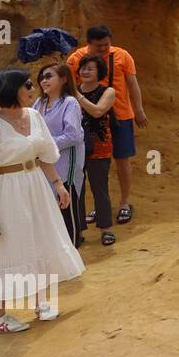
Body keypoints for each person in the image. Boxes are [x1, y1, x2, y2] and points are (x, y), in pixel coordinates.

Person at [0, 68, 85, 332]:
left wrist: (57, 184)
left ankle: (42, 303)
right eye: (27, 85)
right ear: (12, 90)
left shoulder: (34, 116)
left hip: (36, 186)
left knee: (40, 239)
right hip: (6, 192)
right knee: (8, 248)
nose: (33, 89)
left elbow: (44, 154)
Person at [66, 25, 144, 227]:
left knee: (122, 158)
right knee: (94, 164)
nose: (104, 49)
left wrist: (139, 110)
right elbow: (69, 86)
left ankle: (125, 202)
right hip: (90, 119)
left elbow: (132, 83)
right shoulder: (76, 59)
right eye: (99, 46)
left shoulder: (122, 55)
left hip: (121, 115)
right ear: (88, 44)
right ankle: (99, 206)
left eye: (106, 45)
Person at [33, 64, 86, 247]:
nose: (44, 80)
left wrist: (44, 146)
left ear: (63, 79)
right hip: (45, 165)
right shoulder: (39, 104)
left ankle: (73, 249)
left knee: (67, 208)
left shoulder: (69, 102)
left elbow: (73, 135)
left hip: (67, 164)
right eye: (42, 77)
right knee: (49, 209)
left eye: (49, 76)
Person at [74, 54, 118, 246]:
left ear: (99, 72)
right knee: (77, 187)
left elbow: (98, 111)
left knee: (99, 187)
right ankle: (78, 229)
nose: (85, 71)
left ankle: (106, 228)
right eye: (83, 68)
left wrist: (77, 96)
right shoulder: (73, 92)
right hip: (76, 144)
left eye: (90, 68)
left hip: (99, 144)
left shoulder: (108, 91)